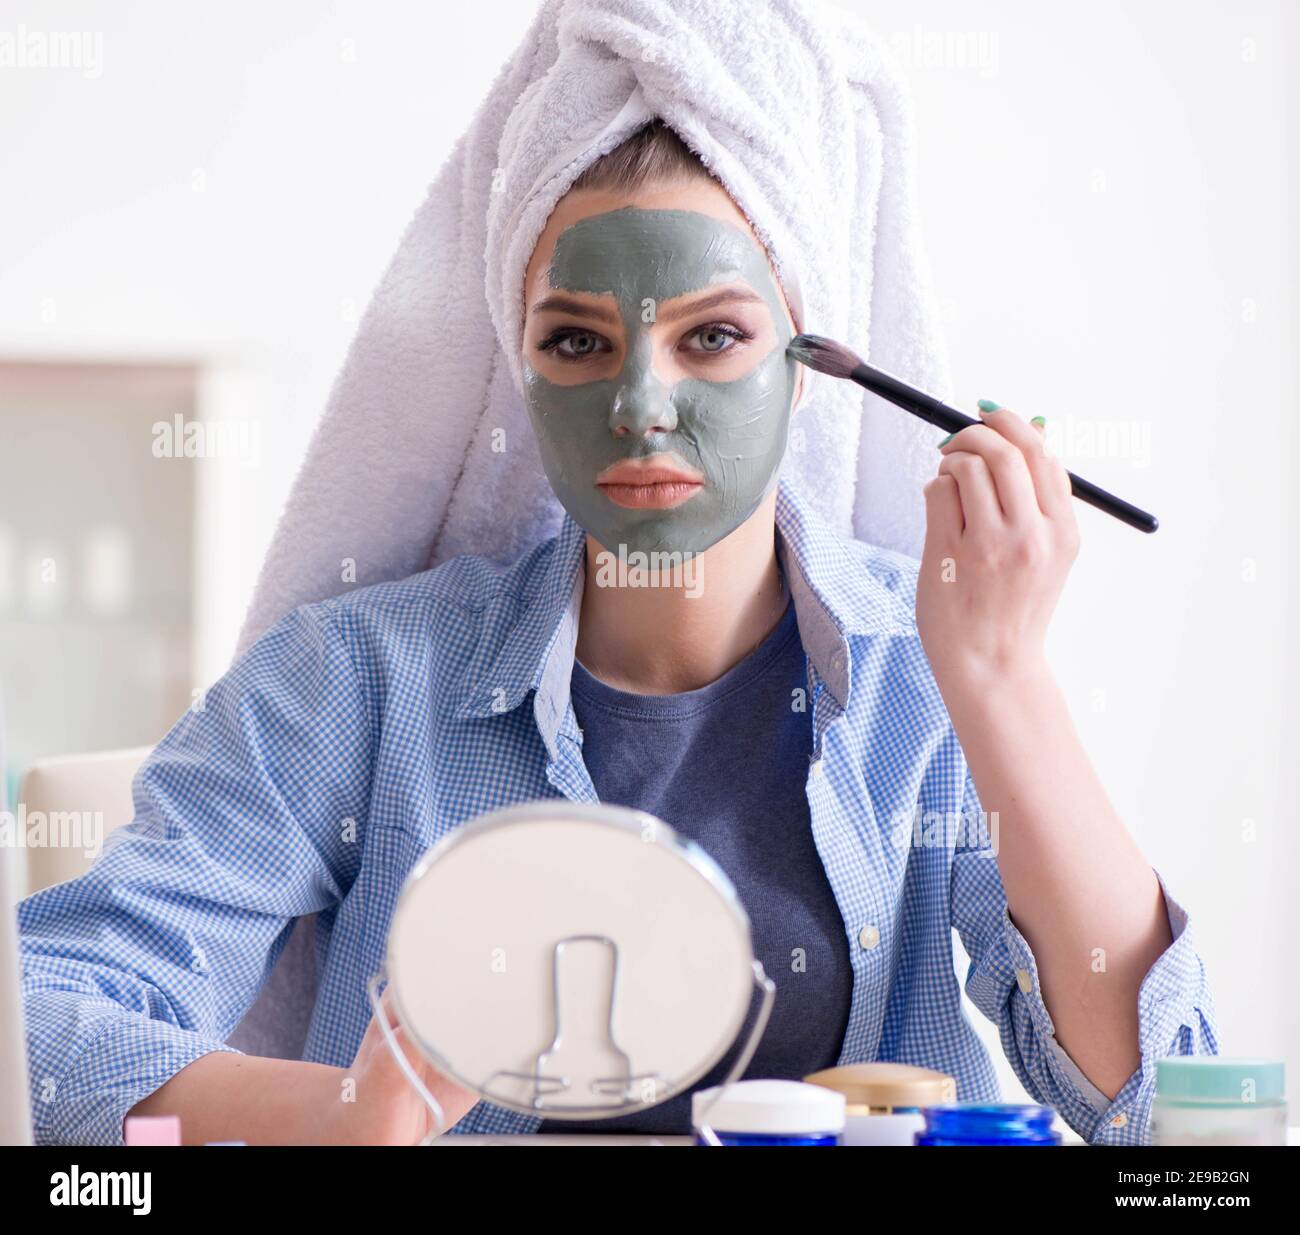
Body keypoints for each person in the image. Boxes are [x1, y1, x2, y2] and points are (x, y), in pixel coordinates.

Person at [16, 117, 1216, 1146]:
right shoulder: (359, 676)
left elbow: (1157, 1106)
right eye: (578, 342)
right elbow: (45, 1007)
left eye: (712, 336)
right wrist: (343, 1115)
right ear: (522, 374)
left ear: (808, 369)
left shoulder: (930, 667)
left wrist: (1001, 676)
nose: (642, 403)